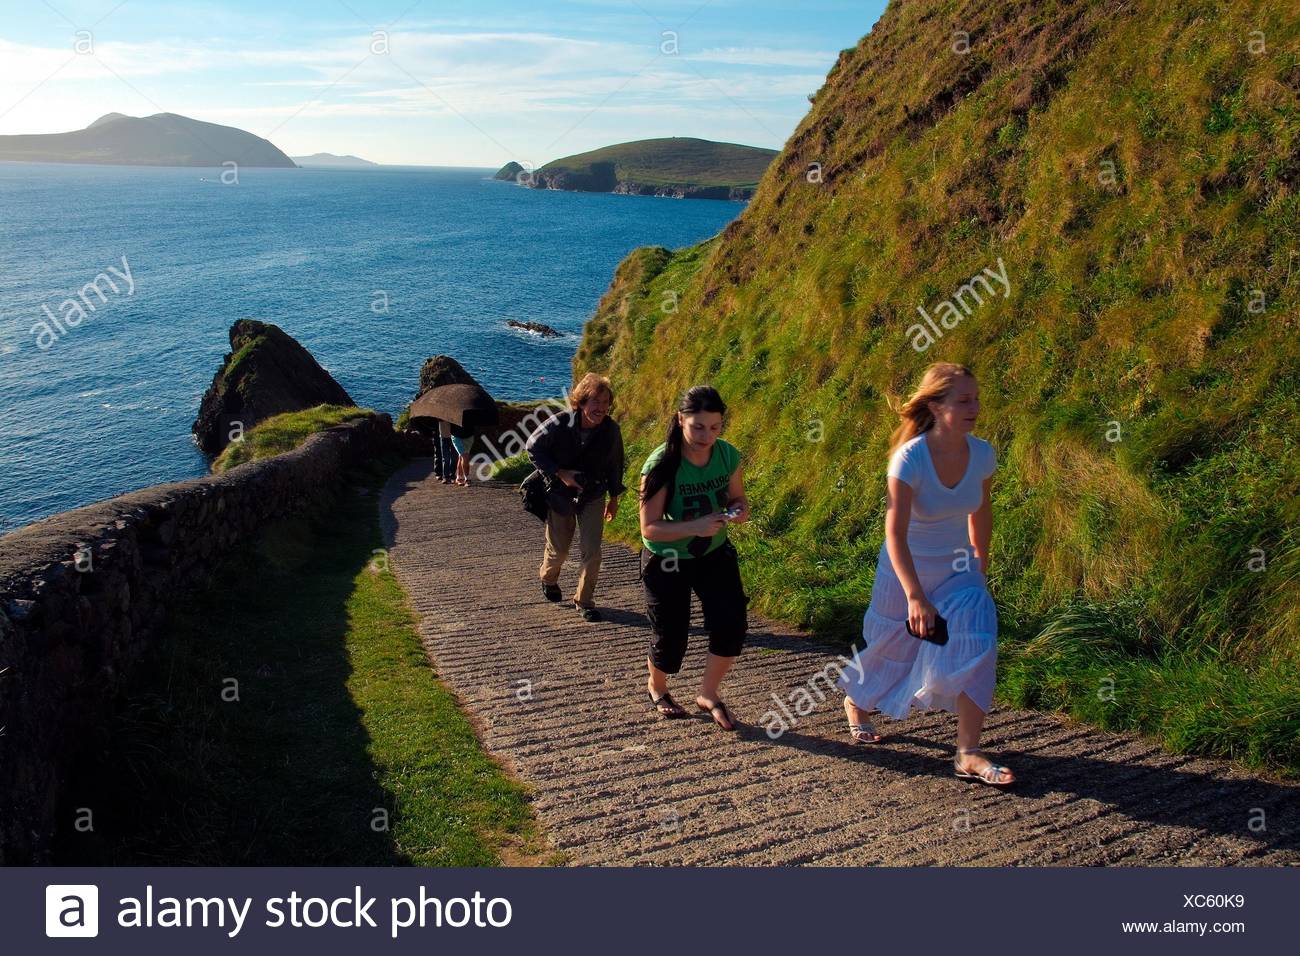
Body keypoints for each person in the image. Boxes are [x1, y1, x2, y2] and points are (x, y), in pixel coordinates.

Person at [837, 362, 1014, 786]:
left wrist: (980, 558)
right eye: (964, 400)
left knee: (979, 640)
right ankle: (856, 702)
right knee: (891, 648)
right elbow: (894, 534)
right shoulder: (909, 459)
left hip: (958, 571)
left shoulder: (983, 453)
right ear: (935, 405)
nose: (975, 407)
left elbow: (982, 508)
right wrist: (915, 596)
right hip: (906, 568)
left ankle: (968, 752)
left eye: (976, 398)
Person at [639, 385, 750, 731]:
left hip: (714, 552)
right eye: (698, 427)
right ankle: (657, 687)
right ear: (680, 420)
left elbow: (738, 499)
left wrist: (738, 512)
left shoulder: (727, 455)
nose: (707, 436)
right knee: (672, 638)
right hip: (667, 558)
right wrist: (696, 526)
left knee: (732, 624)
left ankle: (708, 693)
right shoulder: (661, 464)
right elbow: (649, 529)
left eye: (715, 427)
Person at [524, 373, 626, 622]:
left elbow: (615, 463)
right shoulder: (560, 423)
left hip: (593, 494)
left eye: (605, 402)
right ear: (580, 402)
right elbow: (532, 447)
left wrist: (614, 496)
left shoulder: (611, 430)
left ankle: (585, 601)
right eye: (595, 402)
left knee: (593, 551)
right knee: (559, 551)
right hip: (559, 495)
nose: (601, 408)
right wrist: (560, 473)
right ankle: (548, 578)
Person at [432, 419, 456, 484]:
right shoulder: (441, 414)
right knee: (446, 458)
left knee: (454, 457)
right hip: (443, 437)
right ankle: (446, 477)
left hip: (453, 436)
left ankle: (452, 475)